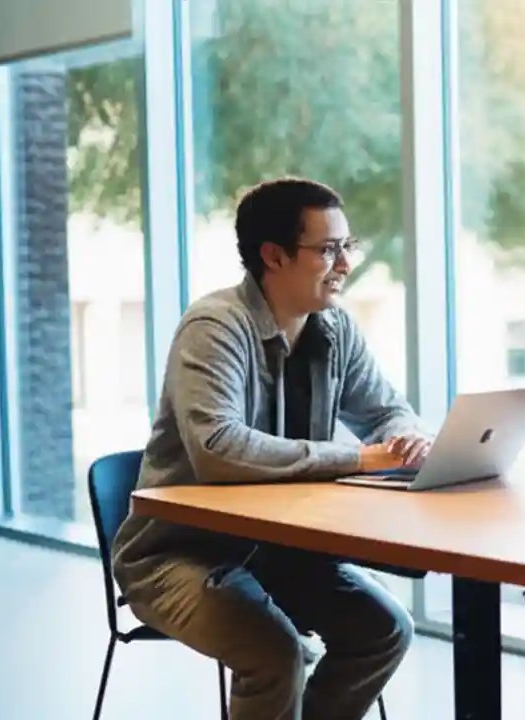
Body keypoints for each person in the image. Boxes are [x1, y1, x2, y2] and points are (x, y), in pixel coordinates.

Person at [112, 177, 429, 720]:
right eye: (328, 249)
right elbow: (218, 448)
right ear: (274, 256)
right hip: (178, 555)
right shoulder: (214, 327)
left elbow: (384, 411)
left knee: (386, 630)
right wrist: (356, 458)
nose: (345, 264)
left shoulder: (335, 329)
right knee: (275, 654)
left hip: (278, 551)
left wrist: (407, 436)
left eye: (346, 247)